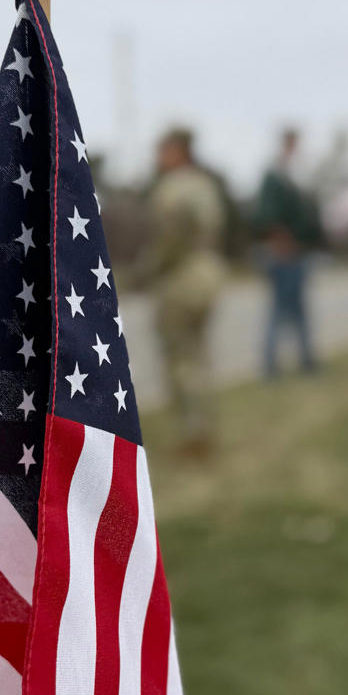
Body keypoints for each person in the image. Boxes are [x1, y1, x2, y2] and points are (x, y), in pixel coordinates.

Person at [140, 126, 233, 457]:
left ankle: (194, 432)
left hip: (181, 279)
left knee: (180, 360)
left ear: (177, 151)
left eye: (162, 151)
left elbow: (171, 238)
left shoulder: (172, 188)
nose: (157, 158)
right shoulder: (205, 185)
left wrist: (147, 271)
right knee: (198, 355)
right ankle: (204, 425)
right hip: (209, 276)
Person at [253, 127, 322, 378]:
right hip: (284, 253)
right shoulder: (275, 176)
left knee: (299, 311)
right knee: (279, 311)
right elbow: (269, 217)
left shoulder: (294, 176)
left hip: (297, 252)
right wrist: (282, 245)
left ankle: (306, 360)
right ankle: (270, 365)